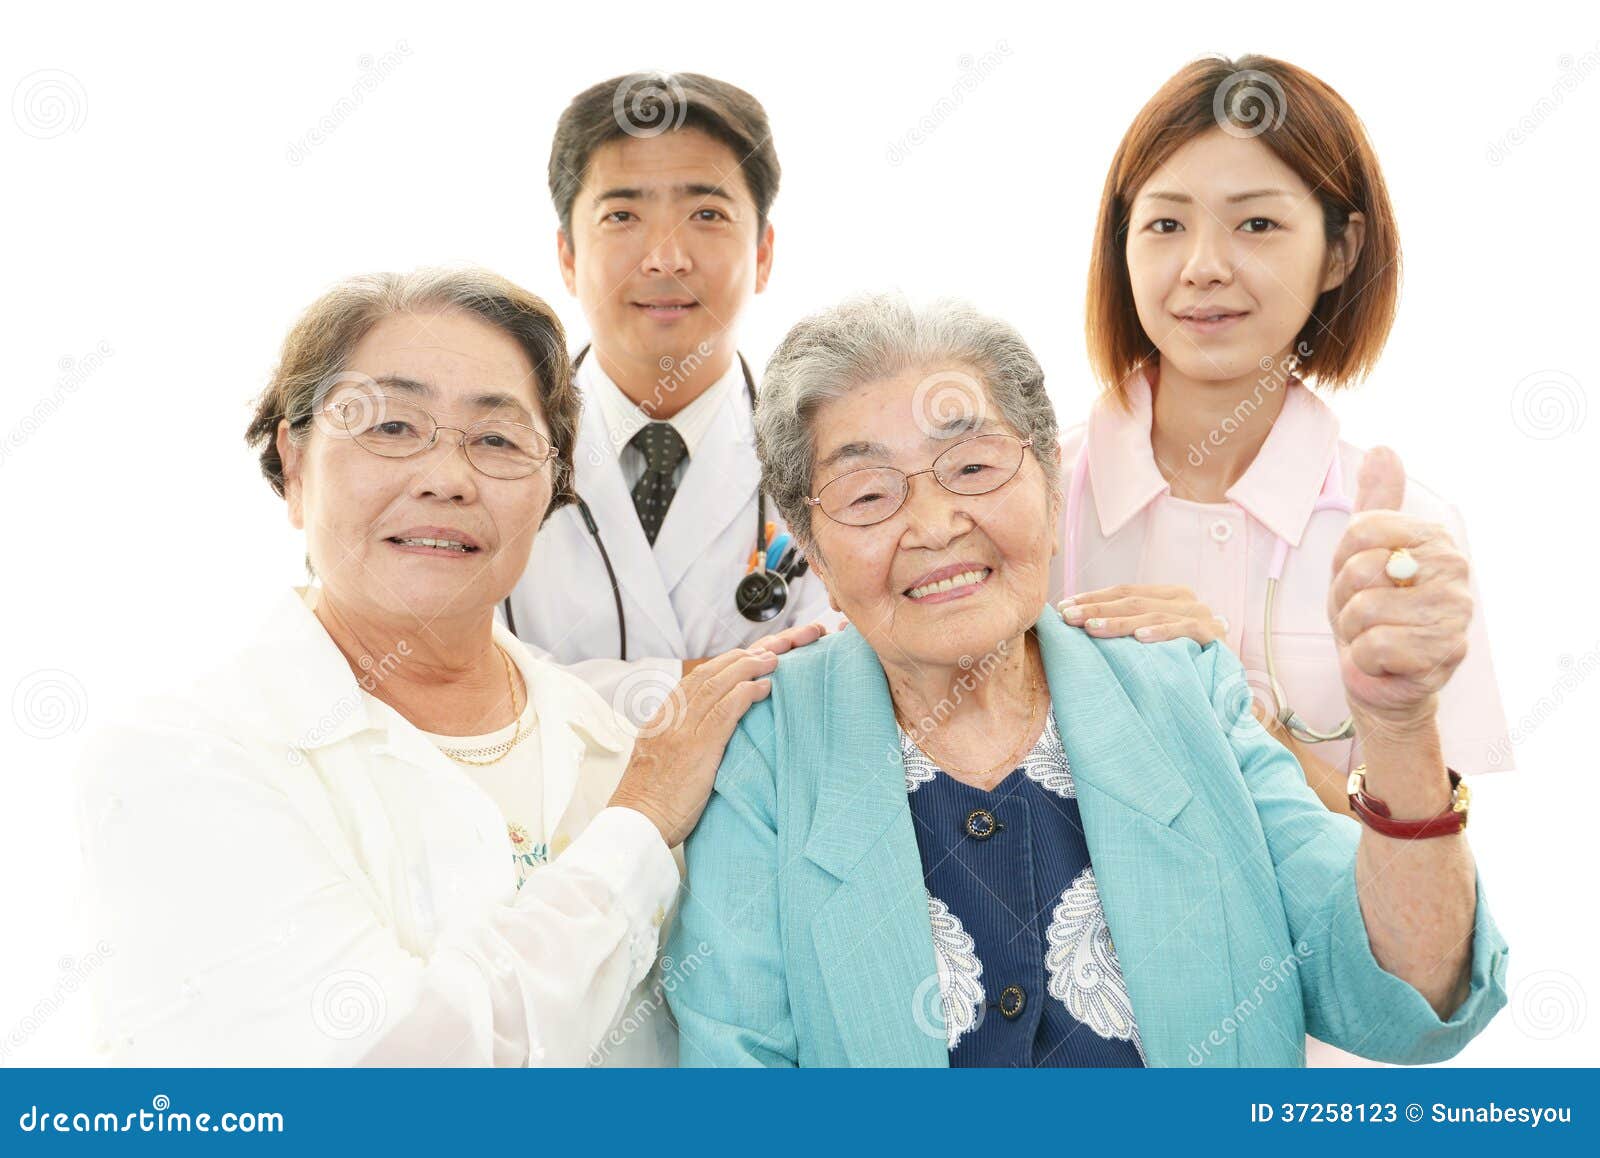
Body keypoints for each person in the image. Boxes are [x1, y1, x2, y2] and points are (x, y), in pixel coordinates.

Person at [666, 294, 1507, 1067]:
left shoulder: (1184, 688)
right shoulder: (765, 752)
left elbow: (1409, 1000)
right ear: (809, 544)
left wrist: (1399, 729)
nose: (934, 525)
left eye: (972, 467)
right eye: (868, 492)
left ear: (1050, 481)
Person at [75, 268, 819, 1065]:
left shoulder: (614, 742)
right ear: (294, 464)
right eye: (392, 427)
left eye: (498, 440)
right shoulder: (180, 758)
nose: (445, 478)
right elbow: (391, 1078)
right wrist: (636, 828)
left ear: (553, 488)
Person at [1050, 55, 1511, 821]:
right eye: (1166, 224)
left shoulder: (1404, 536)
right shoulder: (1024, 498)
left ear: (1340, 252)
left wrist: (1239, 721)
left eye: (1257, 224)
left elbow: (1429, 872)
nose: (1203, 267)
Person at [503, 72, 831, 722]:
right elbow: (444, 678)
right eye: (623, 215)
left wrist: (570, 690)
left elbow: (841, 682)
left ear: (764, 254)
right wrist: (717, 687)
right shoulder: (486, 449)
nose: (665, 257)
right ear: (567, 255)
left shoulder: (834, 455)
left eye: (707, 214)